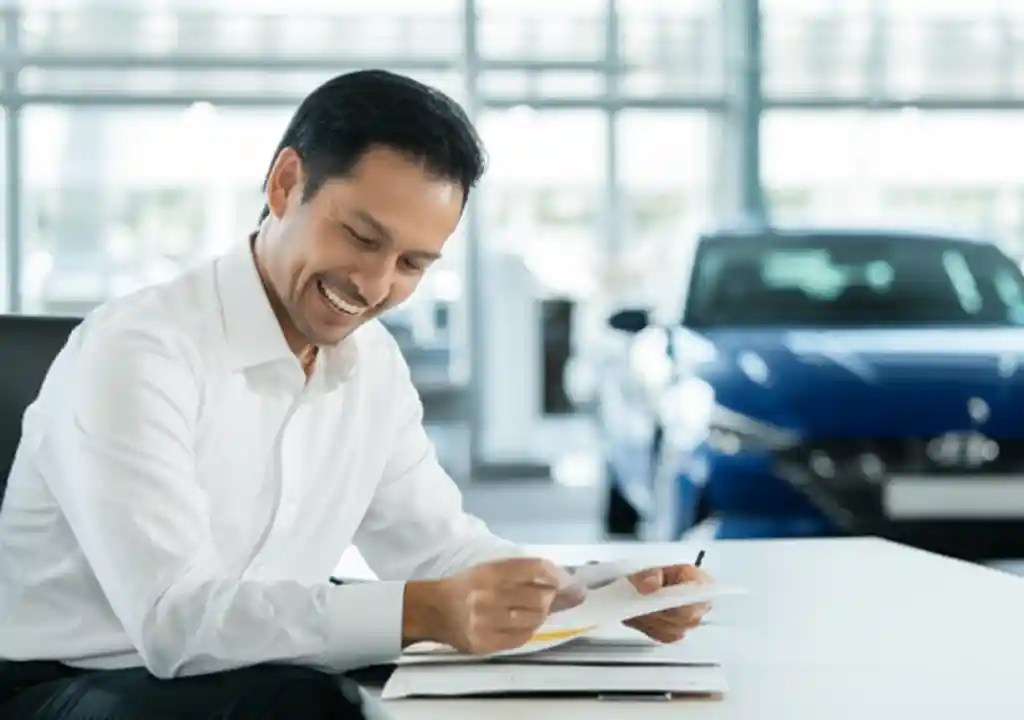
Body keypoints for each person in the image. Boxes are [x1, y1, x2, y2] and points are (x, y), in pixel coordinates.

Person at [0, 69, 709, 718]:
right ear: (285, 185)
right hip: (67, 682)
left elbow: (437, 551)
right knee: (313, 707)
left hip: (252, 668)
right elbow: (175, 621)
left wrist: (594, 593)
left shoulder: (371, 365)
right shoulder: (138, 350)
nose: (374, 286)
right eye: (362, 237)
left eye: (411, 264)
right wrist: (426, 611)